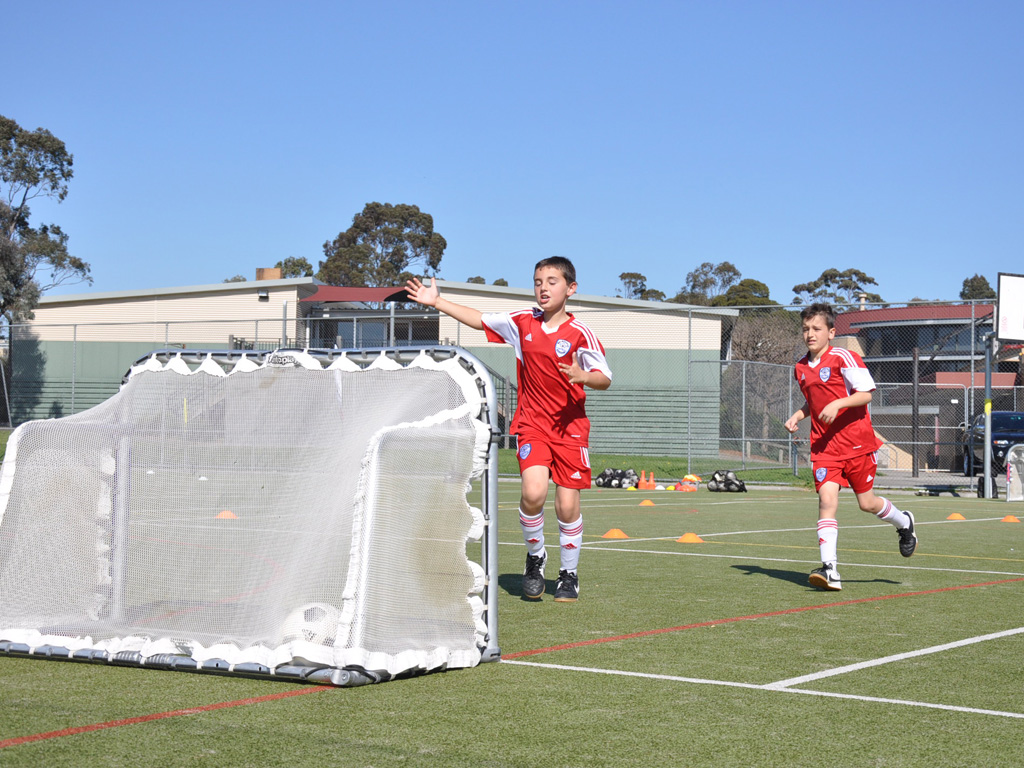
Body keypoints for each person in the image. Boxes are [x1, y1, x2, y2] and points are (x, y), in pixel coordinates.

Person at [406, 257, 612, 602]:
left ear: (570, 288)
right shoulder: (521, 323)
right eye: (537, 281)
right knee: (533, 494)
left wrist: (583, 376)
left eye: (551, 281)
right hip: (532, 424)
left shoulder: (581, 334)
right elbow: (479, 319)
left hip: (570, 429)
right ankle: (535, 559)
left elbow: (605, 378)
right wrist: (437, 302)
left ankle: (569, 574)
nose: (543, 288)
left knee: (565, 505)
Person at [784, 302, 917, 591]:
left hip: (857, 444)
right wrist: (798, 414)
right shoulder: (801, 367)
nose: (810, 334)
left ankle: (904, 522)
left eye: (816, 328)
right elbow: (815, 401)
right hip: (824, 448)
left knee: (866, 503)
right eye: (806, 329)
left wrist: (839, 403)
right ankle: (830, 569)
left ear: (831, 332)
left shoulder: (845, 356)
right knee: (826, 501)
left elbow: (866, 394)